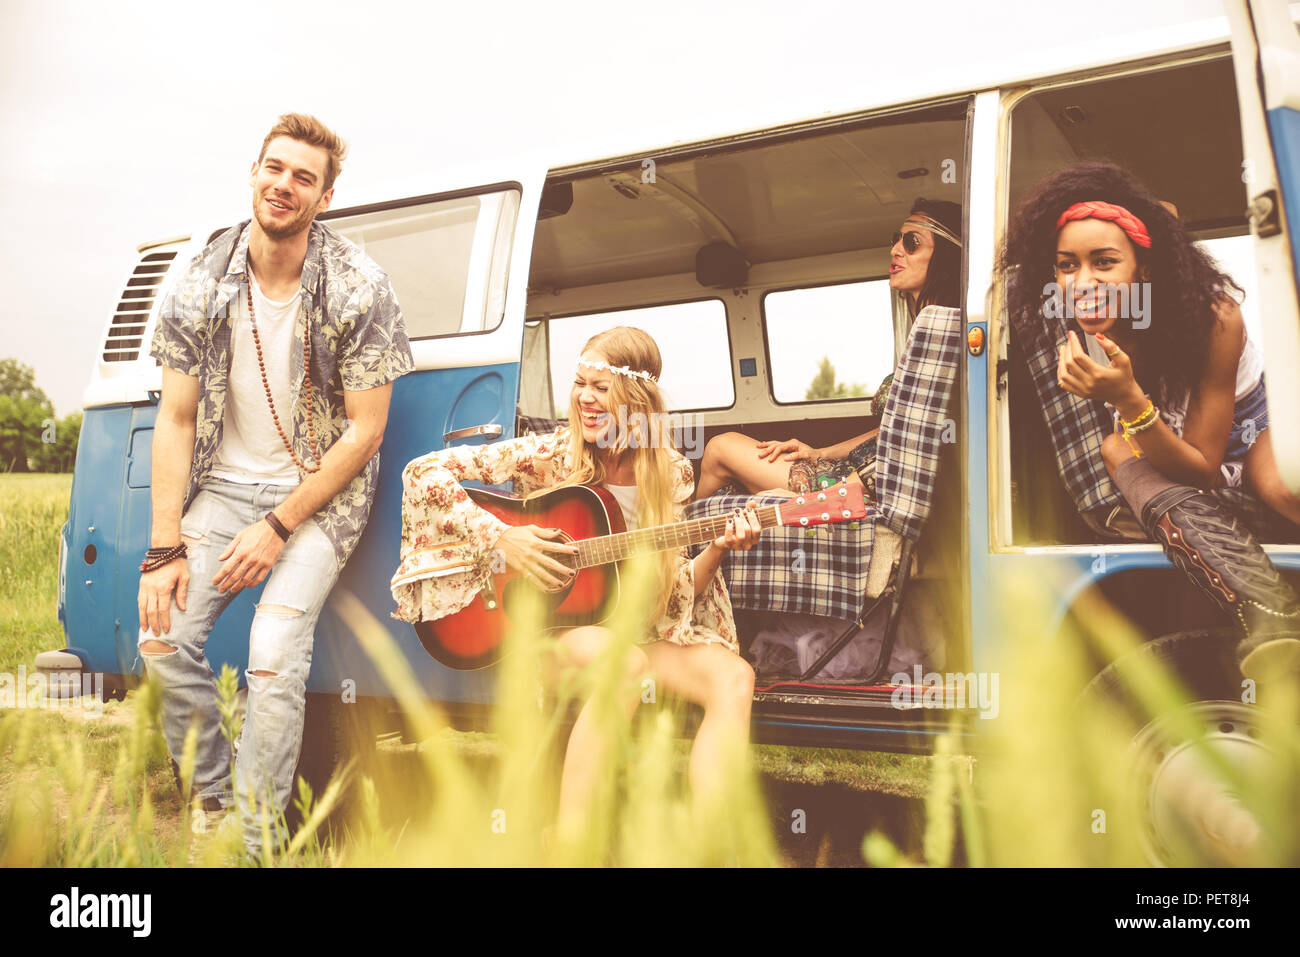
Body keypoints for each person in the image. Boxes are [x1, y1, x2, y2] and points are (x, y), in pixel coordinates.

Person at [137, 113, 415, 859]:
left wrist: (279, 525)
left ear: (326, 196)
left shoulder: (359, 285)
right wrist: (165, 548)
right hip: (223, 488)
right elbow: (177, 415)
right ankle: (217, 800)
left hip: (317, 501)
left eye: (303, 176)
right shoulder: (199, 279)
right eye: (274, 167)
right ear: (255, 171)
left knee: (272, 653)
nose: (283, 185)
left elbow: (365, 431)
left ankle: (260, 849)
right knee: (161, 633)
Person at [391, 326, 762, 836]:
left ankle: (707, 846)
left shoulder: (670, 473)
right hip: (551, 632)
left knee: (734, 677)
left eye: (601, 388)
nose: (585, 398)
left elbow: (676, 594)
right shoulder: (549, 454)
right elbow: (421, 473)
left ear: (637, 399)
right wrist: (503, 539)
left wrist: (719, 545)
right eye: (579, 383)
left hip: (633, 630)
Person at [1001, 160, 1300, 678]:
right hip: (1180, 450)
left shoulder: (1214, 315)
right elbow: (1184, 464)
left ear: (1145, 268)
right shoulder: (1084, 332)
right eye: (1066, 265)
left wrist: (1130, 401)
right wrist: (1126, 403)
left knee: (1274, 480)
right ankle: (1268, 609)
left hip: (1261, 431)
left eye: (1104, 262)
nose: (1082, 282)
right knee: (1114, 448)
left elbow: (1205, 467)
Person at [694, 198, 962, 499]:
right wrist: (819, 453)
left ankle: (684, 544)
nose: (895, 250)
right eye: (896, 239)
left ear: (946, 257)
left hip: (860, 483)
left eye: (912, 242)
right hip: (858, 470)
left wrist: (835, 495)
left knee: (719, 449)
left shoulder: (942, 335)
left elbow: (920, 443)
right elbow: (892, 429)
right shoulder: (926, 334)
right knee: (730, 480)